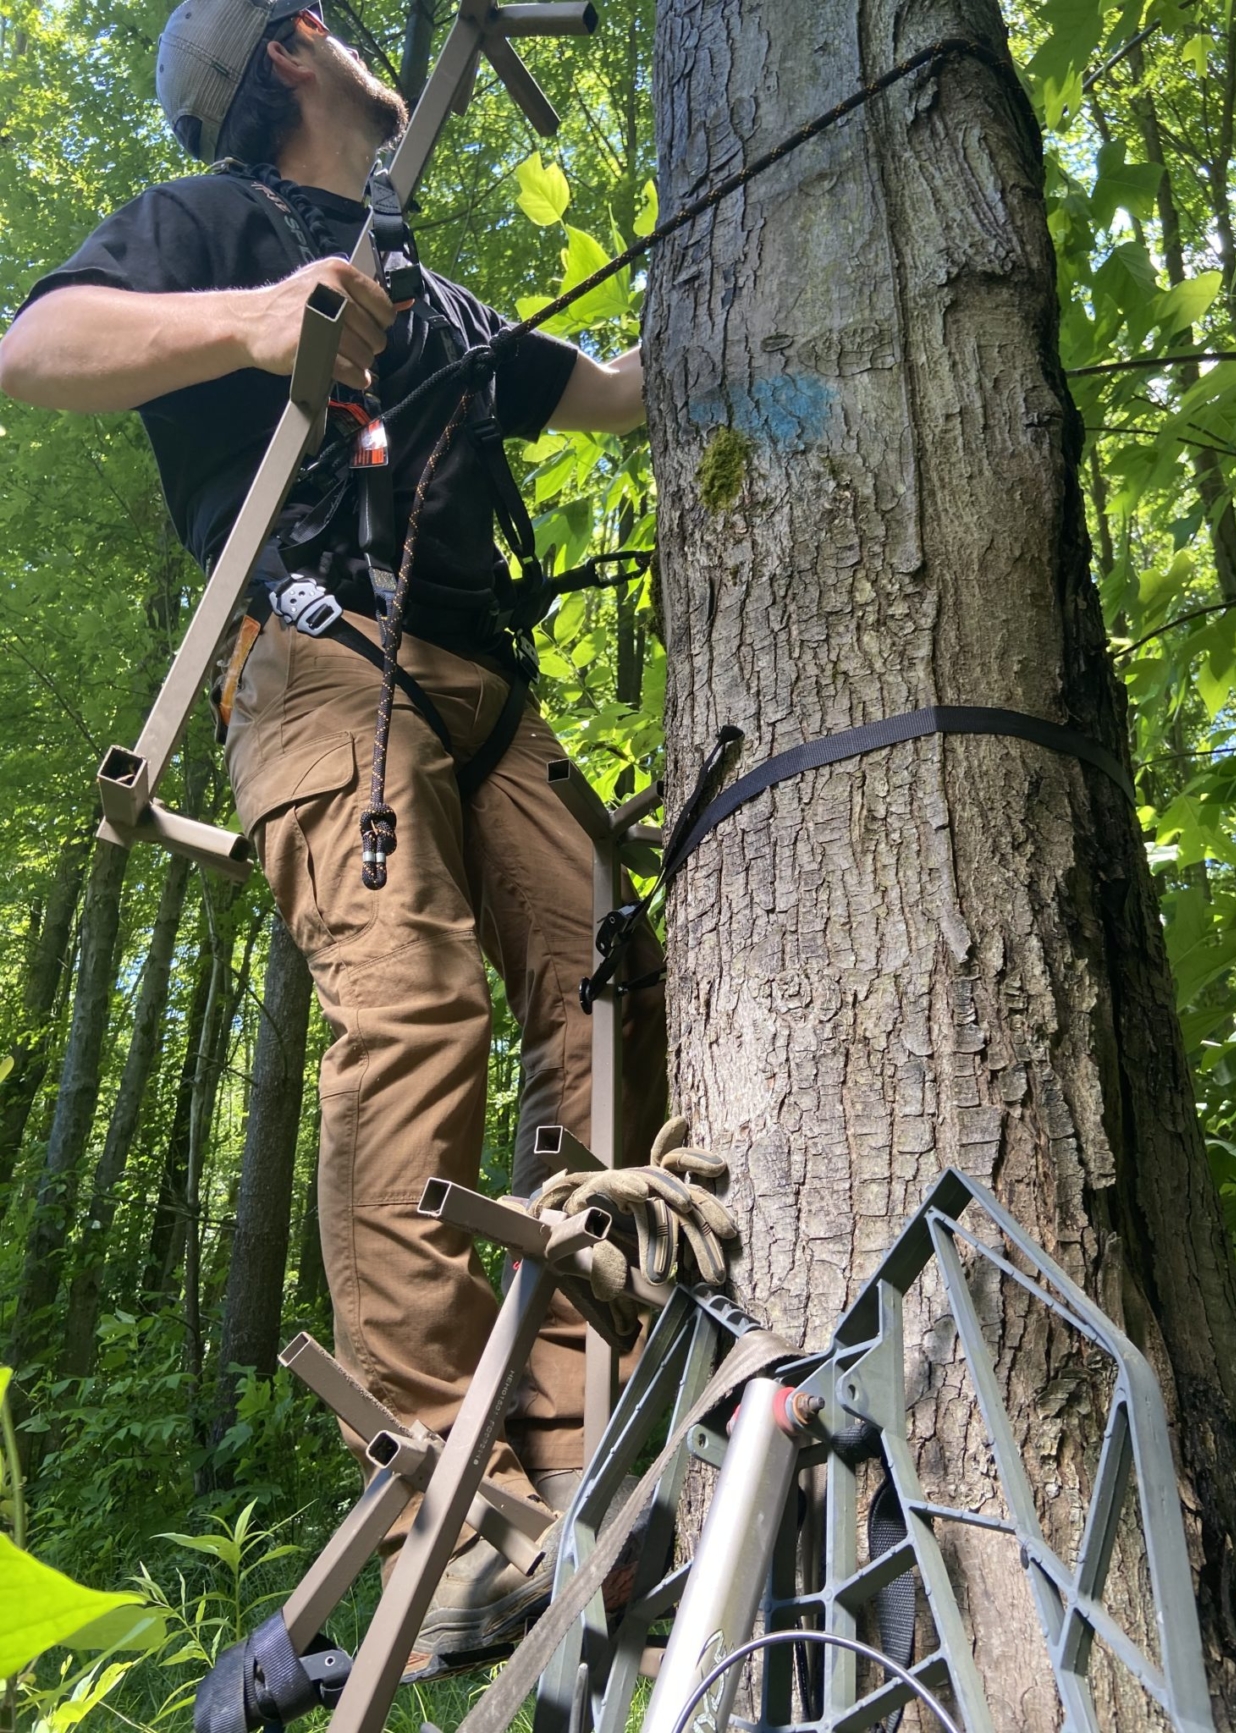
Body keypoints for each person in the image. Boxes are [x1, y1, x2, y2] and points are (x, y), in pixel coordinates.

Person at [0, 0, 666, 1680]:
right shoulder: (213, 224)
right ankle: (447, 1494)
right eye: (346, 19)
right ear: (295, 48)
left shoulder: (422, 275)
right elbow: (34, 347)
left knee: (615, 989)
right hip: (311, 669)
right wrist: (252, 319)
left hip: (488, 687)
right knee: (414, 1001)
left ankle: (586, 1440)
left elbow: (615, 395)